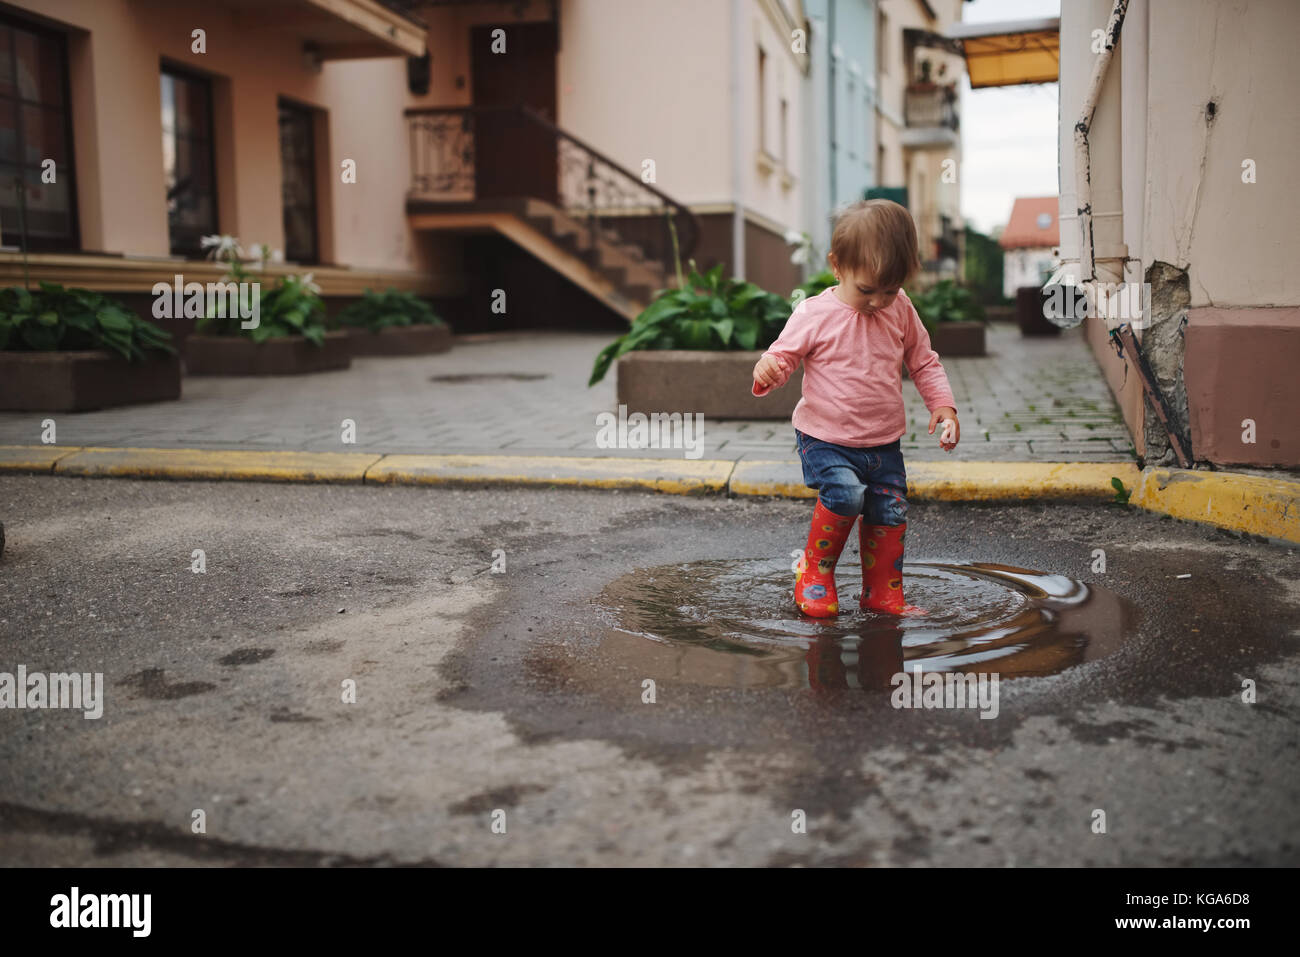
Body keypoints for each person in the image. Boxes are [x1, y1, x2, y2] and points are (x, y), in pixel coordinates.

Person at [752, 199, 960, 617]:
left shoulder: (900, 310)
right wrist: (769, 368)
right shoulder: (814, 313)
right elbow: (783, 355)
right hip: (825, 437)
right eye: (867, 290)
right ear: (837, 265)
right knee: (846, 495)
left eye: (890, 289)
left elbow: (923, 360)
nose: (879, 301)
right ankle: (813, 572)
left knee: (890, 508)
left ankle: (882, 593)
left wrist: (943, 405)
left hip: (883, 442)